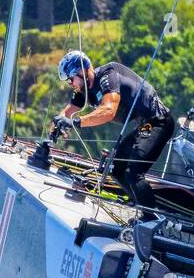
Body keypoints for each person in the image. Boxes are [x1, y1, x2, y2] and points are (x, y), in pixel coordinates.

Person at [52, 51, 174, 214]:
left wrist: (76, 122)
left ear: (82, 71)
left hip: (159, 121)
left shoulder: (108, 76)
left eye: (70, 78)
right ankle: (140, 205)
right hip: (144, 125)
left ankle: (152, 218)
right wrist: (53, 133)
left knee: (133, 172)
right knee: (117, 169)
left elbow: (108, 110)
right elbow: (66, 113)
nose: (69, 83)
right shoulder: (83, 89)